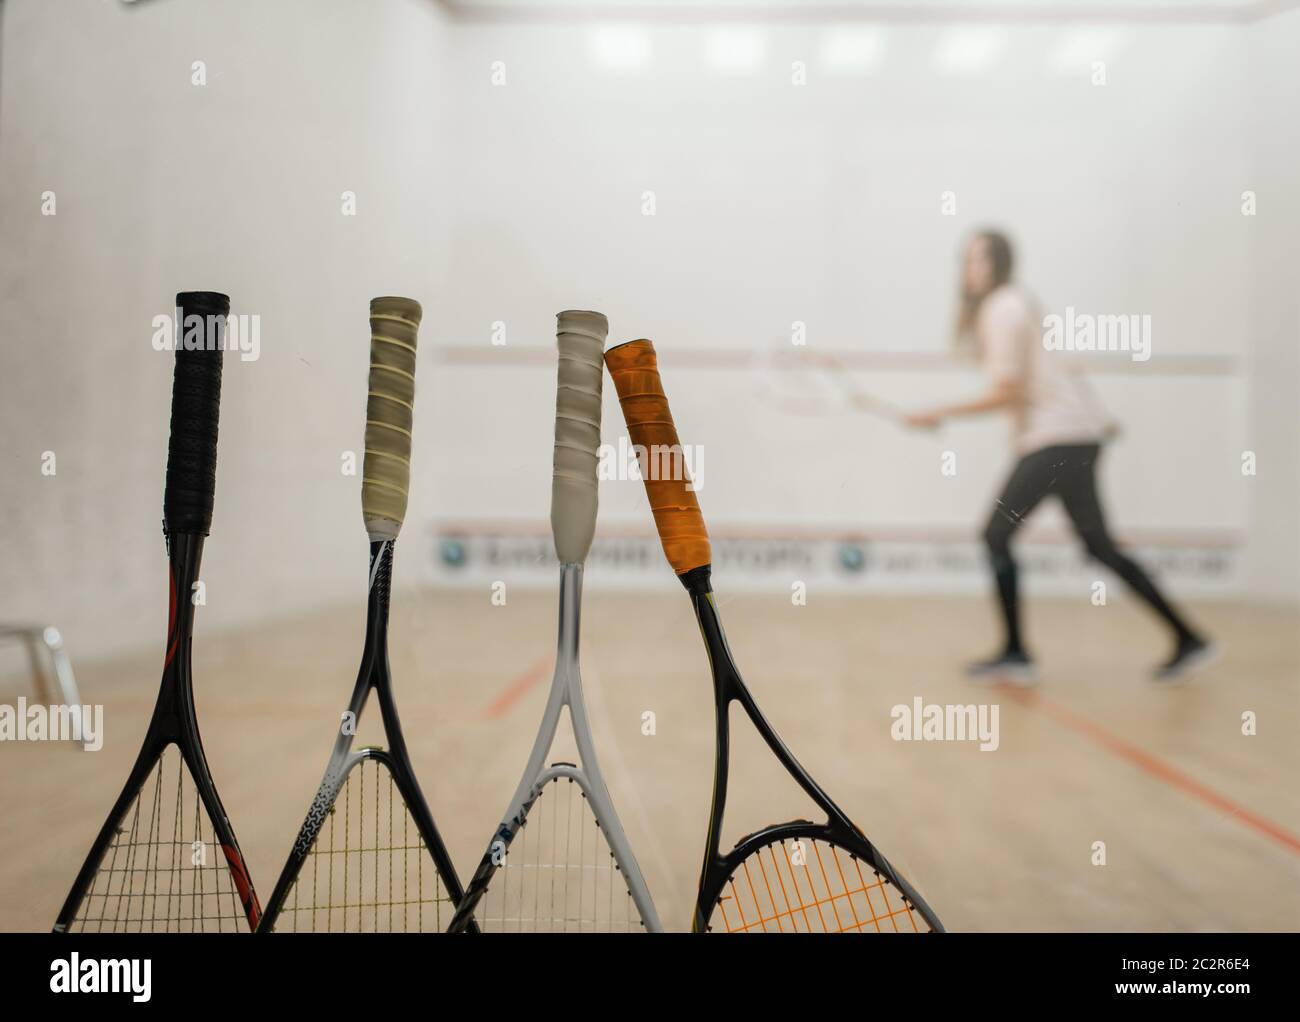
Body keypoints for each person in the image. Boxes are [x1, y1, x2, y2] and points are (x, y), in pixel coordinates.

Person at [904, 229, 1215, 684]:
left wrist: (937, 411)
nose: (970, 270)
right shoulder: (1016, 303)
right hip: (1077, 438)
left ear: (999, 265)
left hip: (1058, 441)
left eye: (980, 261)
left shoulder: (1002, 307)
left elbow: (1006, 392)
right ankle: (1189, 638)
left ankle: (1016, 654)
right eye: (966, 261)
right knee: (1098, 547)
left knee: (996, 534)